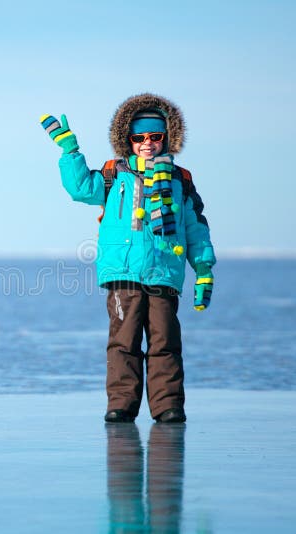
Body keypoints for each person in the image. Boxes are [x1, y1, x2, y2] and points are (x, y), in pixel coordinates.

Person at [40, 93, 216, 424]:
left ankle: (167, 406)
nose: (147, 143)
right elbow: (80, 188)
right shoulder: (113, 174)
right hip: (122, 272)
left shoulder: (180, 180)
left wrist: (204, 268)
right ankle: (121, 404)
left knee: (165, 343)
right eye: (139, 137)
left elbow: (196, 228)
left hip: (164, 271)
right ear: (128, 140)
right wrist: (70, 151)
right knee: (123, 342)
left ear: (167, 138)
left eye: (155, 136)